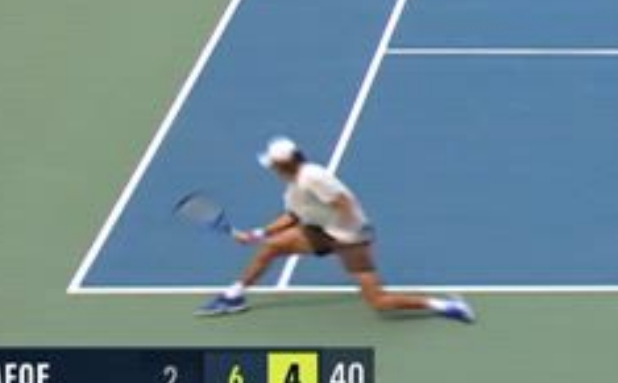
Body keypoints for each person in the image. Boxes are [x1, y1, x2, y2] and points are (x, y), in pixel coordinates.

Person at [197, 137, 476, 320]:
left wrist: (346, 233)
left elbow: (345, 202)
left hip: (351, 239)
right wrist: (259, 233)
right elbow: (292, 216)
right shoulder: (295, 186)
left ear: (284, 165)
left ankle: (446, 306)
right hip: (323, 232)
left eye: (273, 164)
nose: (270, 168)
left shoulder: (313, 178)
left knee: (379, 302)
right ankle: (234, 296)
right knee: (272, 247)